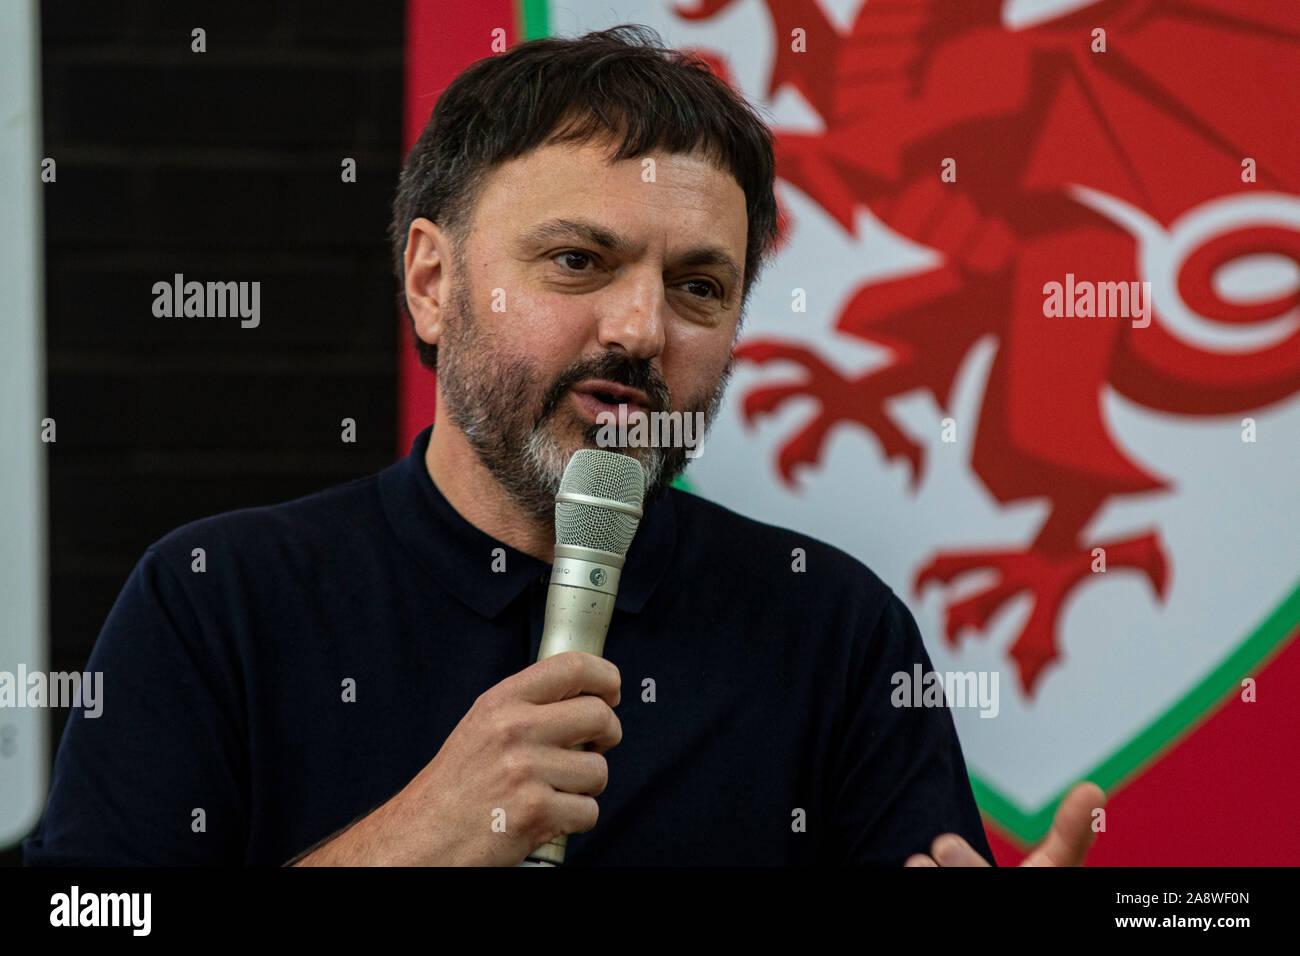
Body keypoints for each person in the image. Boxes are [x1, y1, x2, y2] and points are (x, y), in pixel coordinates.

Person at [24, 25, 1101, 867]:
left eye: (698, 286)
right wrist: (415, 838)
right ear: (433, 282)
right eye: (580, 260)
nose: (642, 329)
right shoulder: (217, 601)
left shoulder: (832, 632)